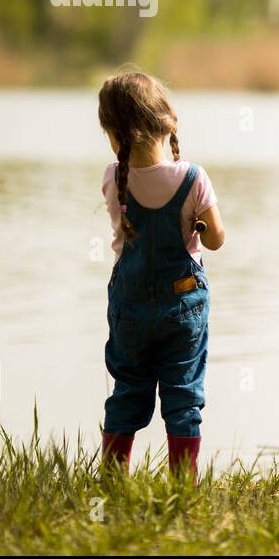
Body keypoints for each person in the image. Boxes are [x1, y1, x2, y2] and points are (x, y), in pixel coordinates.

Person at [96, 71, 224, 481]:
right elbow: (217, 239)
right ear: (167, 123)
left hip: (129, 308)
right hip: (182, 306)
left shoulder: (112, 179)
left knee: (127, 392)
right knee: (183, 396)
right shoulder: (192, 178)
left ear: (114, 134)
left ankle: (113, 482)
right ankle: (182, 485)